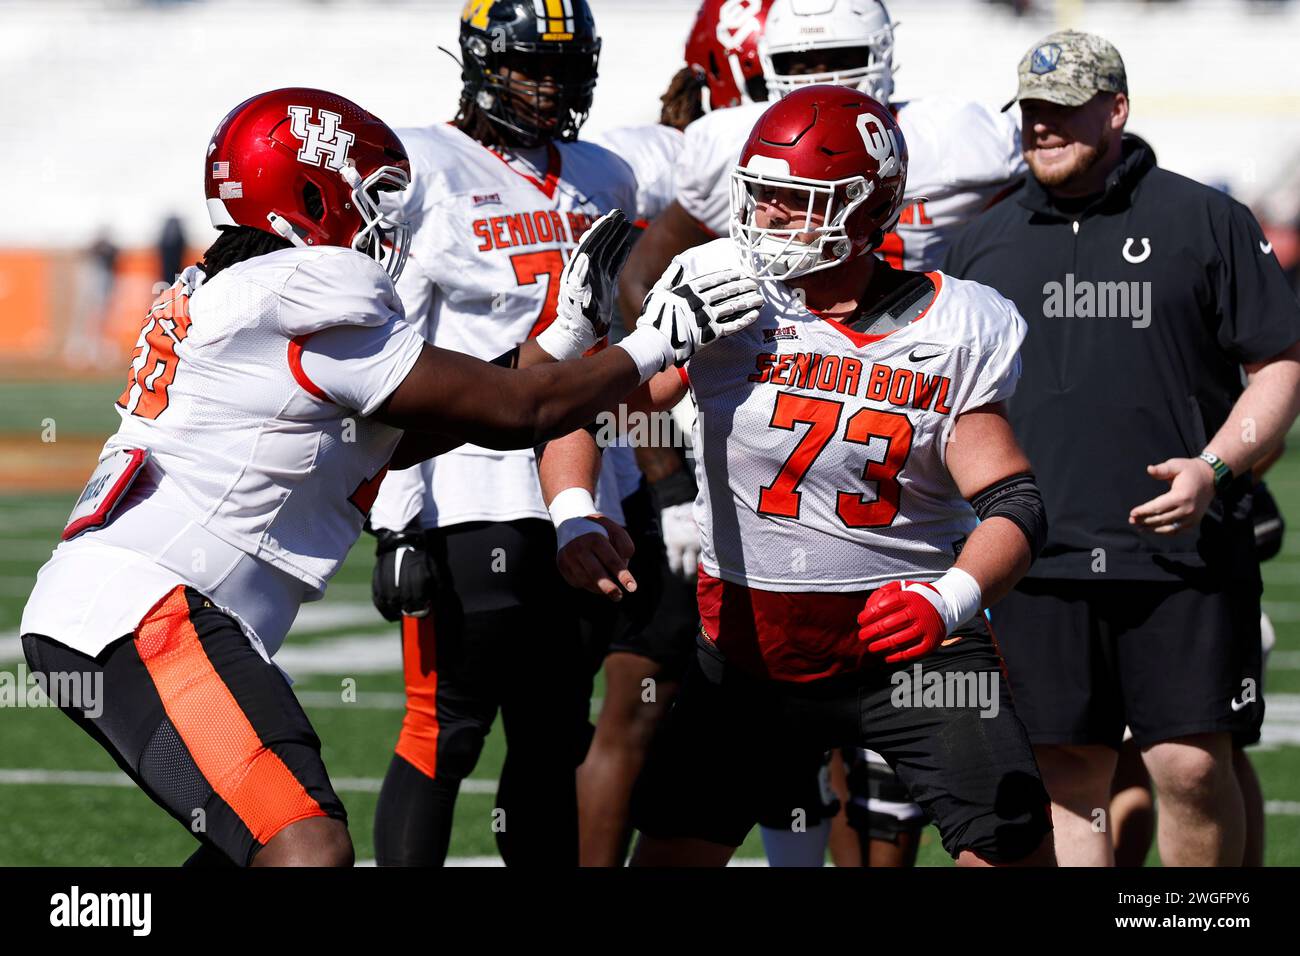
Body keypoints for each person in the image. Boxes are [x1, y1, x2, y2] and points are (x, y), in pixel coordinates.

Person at [18, 85, 757, 868]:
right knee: (309, 849)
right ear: (309, 194)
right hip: (151, 611)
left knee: (258, 844)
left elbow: (418, 428)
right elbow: (515, 412)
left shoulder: (234, 287)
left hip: (124, 609)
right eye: (369, 196)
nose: (384, 221)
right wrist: (658, 341)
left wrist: (565, 334)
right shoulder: (304, 289)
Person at [619, 0, 1028, 868]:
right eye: (758, 198)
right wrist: (579, 505)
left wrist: (948, 598)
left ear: (867, 208)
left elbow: (1015, 504)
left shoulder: (957, 324)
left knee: (1012, 844)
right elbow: (601, 402)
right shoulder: (722, 291)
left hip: (915, 640)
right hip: (750, 648)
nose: (765, 222)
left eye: (793, 203)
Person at [944, 30, 1300, 866]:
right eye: (1032, 114)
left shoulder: (1203, 218)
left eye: (1062, 112)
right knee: (1069, 776)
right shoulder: (980, 242)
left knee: (1187, 765)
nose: (1042, 130)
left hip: (1181, 550)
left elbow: (1279, 364)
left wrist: (1215, 469)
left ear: (1116, 109)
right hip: (1035, 555)